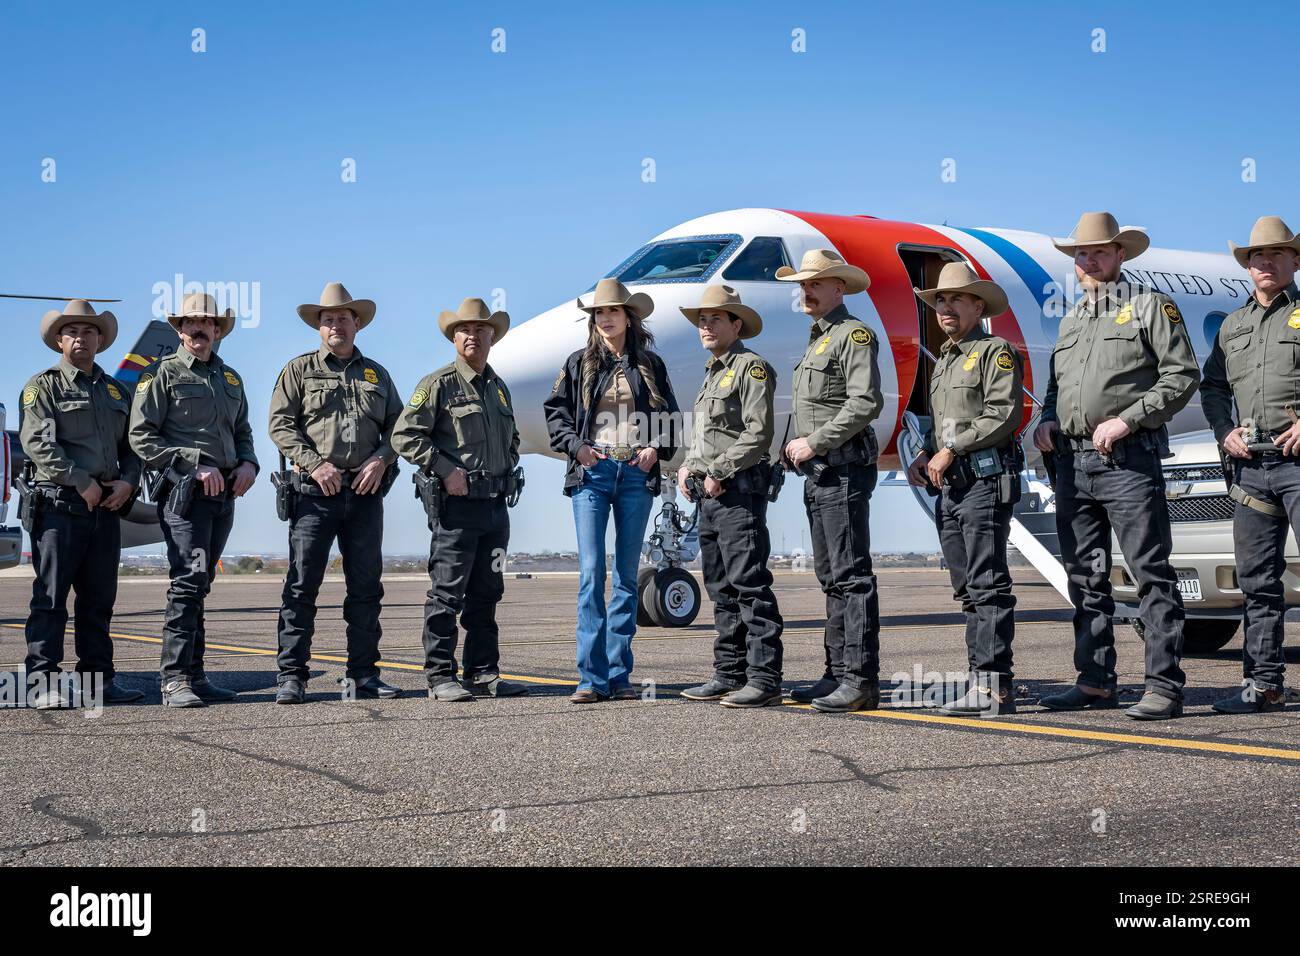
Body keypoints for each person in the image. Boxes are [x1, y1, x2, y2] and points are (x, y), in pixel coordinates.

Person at [1032, 212, 1199, 720]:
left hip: (1127, 460)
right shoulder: (1072, 320)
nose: (1088, 260)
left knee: (1150, 573)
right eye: (1081, 254)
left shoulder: (1150, 307)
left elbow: (1181, 375)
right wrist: (1046, 419)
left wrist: (1128, 420)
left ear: (1120, 254)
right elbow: (1058, 389)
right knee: (1085, 577)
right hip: (1073, 464)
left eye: (1099, 251)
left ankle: (1164, 686)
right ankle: (1096, 681)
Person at [543, 278, 681, 703]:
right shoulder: (577, 363)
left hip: (636, 475)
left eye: (613, 311)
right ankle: (590, 678)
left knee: (624, 577)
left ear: (628, 317)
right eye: (599, 313)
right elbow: (556, 414)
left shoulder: (651, 365)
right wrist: (578, 448)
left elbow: (673, 419)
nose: (605, 318)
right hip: (593, 473)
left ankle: (620, 675)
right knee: (590, 575)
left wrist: (655, 449)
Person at [267, 282, 404, 704]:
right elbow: (280, 425)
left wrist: (380, 460)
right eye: (328, 319)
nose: (336, 324)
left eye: (343, 317)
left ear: (357, 323)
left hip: (364, 496)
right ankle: (292, 675)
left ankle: (363, 675)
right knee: (301, 586)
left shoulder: (376, 374)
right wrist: (315, 464)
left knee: (365, 589)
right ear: (319, 326)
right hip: (313, 495)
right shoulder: (299, 371)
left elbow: (399, 428)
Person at [392, 298, 529, 702]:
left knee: (487, 593)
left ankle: (484, 673)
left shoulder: (498, 388)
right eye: (464, 330)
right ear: (454, 338)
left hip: (495, 507)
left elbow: (512, 439)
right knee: (446, 593)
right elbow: (404, 436)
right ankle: (439, 676)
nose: (473, 335)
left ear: (492, 337)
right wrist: (445, 468)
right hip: (456, 508)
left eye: (480, 330)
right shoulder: (439, 384)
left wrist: (506, 466)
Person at [129, 291, 258, 707]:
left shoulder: (230, 378)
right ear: (180, 330)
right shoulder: (161, 374)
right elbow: (141, 436)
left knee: (202, 582)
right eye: (192, 321)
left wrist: (248, 464)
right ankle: (174, 680)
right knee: (187, 581)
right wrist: (191, 463)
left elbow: (242, 431)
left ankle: (197, 677)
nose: (201, 327)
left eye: (209, 321)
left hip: (224, 495)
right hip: (186, 496)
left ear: (218, 330)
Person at [906, 263, 1023, 715]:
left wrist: (950, 447)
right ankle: (980, 678)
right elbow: (944, 425)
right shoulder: (945, 361)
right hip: (950, 487)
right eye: (939, 300)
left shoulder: (996, 352)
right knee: (968, 589)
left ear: (979, 305)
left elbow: (1004, 413)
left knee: (988, 584)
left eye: (956, 299)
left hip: (983, 481)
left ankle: (994, 685)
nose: (945, 307)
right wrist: (927, 452)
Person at [18, 300, 143, 708]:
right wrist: (81, 481)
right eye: (72, 331)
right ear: (59, 338)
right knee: (51, 598)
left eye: (89, 332)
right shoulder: (44, 386)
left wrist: (127, 481)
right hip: (60, 507)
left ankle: (97, 683)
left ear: (100, 340)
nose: (81, 338)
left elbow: (132, 447)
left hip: (105, 509)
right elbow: (37, 443)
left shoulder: (114, 391)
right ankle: (41, 681)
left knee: (98, 601)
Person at [1200, 215, 1300, 714]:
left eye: (1276, 254)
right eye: (1257, 256)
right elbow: (1213, 388)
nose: (1265, 262)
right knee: (1257, 581)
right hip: (1252, 470)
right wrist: (1224, 432)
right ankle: (1263, 685)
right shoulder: (1233, 326)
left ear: (1294, 261)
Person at [777, 249, 884, 713]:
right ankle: (836, 672)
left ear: (839, 287)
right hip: (819, 473)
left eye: (815, 283)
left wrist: (815, 442)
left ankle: (860, 679)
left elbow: (865, 403)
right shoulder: (818, 338)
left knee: (851, 575)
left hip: (841, 469)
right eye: (802, 284)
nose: (806, 290)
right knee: (830, 576)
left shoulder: (852, 335)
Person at [676, 285, 783, 708]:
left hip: (738, 493)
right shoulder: (713, 372)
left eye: (715, 318)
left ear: (736, 324)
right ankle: (729, 672)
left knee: (750, 585)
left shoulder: (750, 368)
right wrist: (688, 465)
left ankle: (764, 678)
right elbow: (706, 438)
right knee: (720, 588)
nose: (706, 325)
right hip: (709, 498)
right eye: (702, 319)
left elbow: (758, 433)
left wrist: (719, 470)